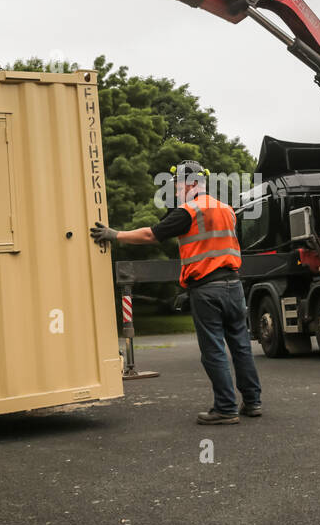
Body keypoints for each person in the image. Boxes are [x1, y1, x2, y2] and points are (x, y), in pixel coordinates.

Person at [90, 161, 262, 424]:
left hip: (207, 288)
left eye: (179, 185)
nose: (177, 191)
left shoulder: (188, 211)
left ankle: (226, 409)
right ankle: (252, 402)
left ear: (192, 184)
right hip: (234, 285)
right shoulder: (227, 209)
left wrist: (115, 235)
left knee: (213, 349)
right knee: (240, 345)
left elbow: (151, 235)